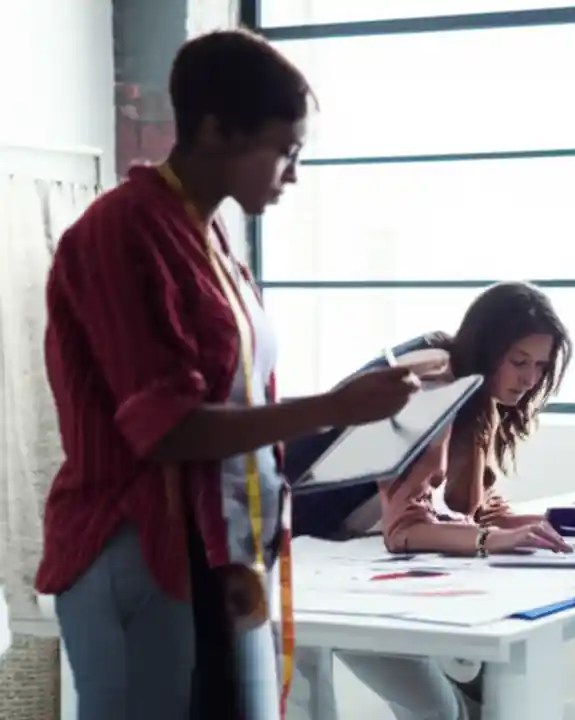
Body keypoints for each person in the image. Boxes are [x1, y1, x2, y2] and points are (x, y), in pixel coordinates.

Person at [36, 30, 422, 720]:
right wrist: (334, 407)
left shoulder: (210, 236)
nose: (292, 174)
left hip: (222, 550)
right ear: (216, 130)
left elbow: (234, 406)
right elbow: (168, 429)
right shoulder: (120, 232)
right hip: (140, 544)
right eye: (284, 151)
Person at [285, 281, 574, 720]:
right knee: (332, 705)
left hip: (333, 556)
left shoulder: (471, 388)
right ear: (487, 347)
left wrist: (555, 523)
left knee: (437, 708)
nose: (530, 380)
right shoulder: (431, 386)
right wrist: (488, 540)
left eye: (540, 366)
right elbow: (404, 528)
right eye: (519, 362)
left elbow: (474, 504)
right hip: (291, 555)